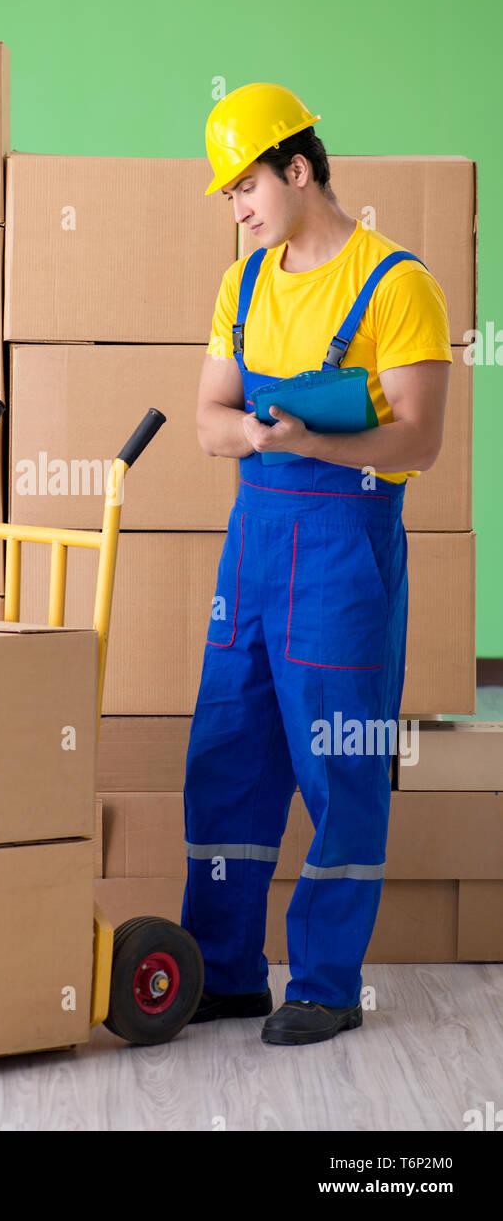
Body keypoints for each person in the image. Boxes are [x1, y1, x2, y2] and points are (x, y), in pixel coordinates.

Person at [182, 83, 452, 1045]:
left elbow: (417, 444)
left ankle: (326, 985)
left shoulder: (398, 284)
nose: (238, 208)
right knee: (228, 754)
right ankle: (224, 973)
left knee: (339, 760)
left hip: (344, 547)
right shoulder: (242, 284)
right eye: (228, 196)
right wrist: (258, 440)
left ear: (297, 168)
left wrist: (310, 442)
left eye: (245, 185)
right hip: (254, 546)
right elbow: (209, 416)